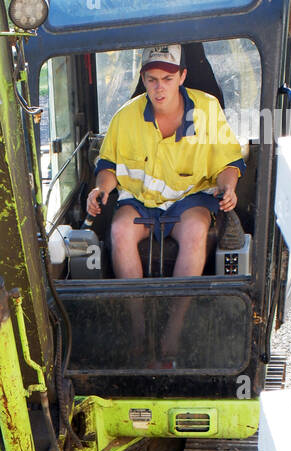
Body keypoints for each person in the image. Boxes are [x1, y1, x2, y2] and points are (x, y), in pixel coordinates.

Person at [87, 43, 246, 280]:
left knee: (195, 232)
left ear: (182, 76)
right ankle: (136, 318)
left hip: (190, 199)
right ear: (143, 78)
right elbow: (108, 166)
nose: (159, 88)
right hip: (141, 200)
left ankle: (177, 318)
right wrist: (101, 189)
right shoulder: (125, 117)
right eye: (152, 80)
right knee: (120, 230)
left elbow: (227, 163)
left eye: (168, 78)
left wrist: (228, 187)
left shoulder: (207, 110)